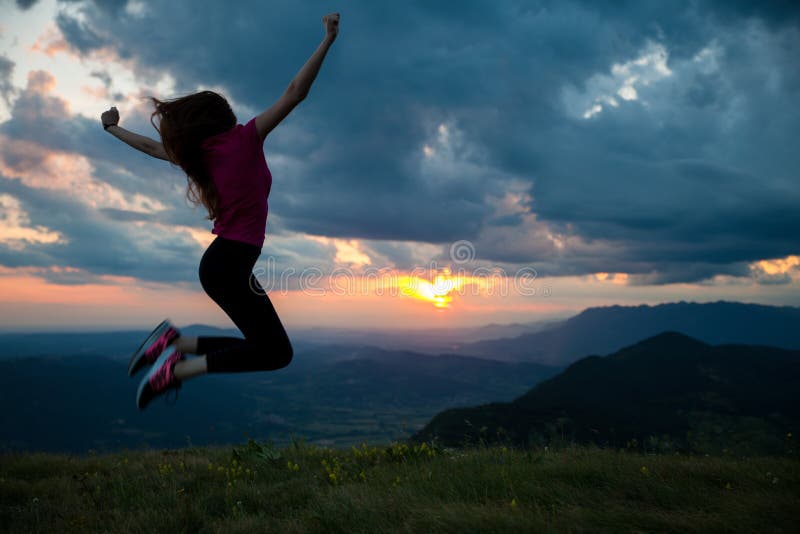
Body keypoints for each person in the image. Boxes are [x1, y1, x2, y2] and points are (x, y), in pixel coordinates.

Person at [100, 13, 340, 410]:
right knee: (275, 352)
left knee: (265, 346)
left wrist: (111, 128)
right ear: (221, 118)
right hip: (228, 264)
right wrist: (328, 39)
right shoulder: (246, 139)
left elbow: (150, 147)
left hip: (225, 264)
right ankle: (175, 370)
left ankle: (173, 344)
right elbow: (295, 92)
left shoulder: (199, 156)